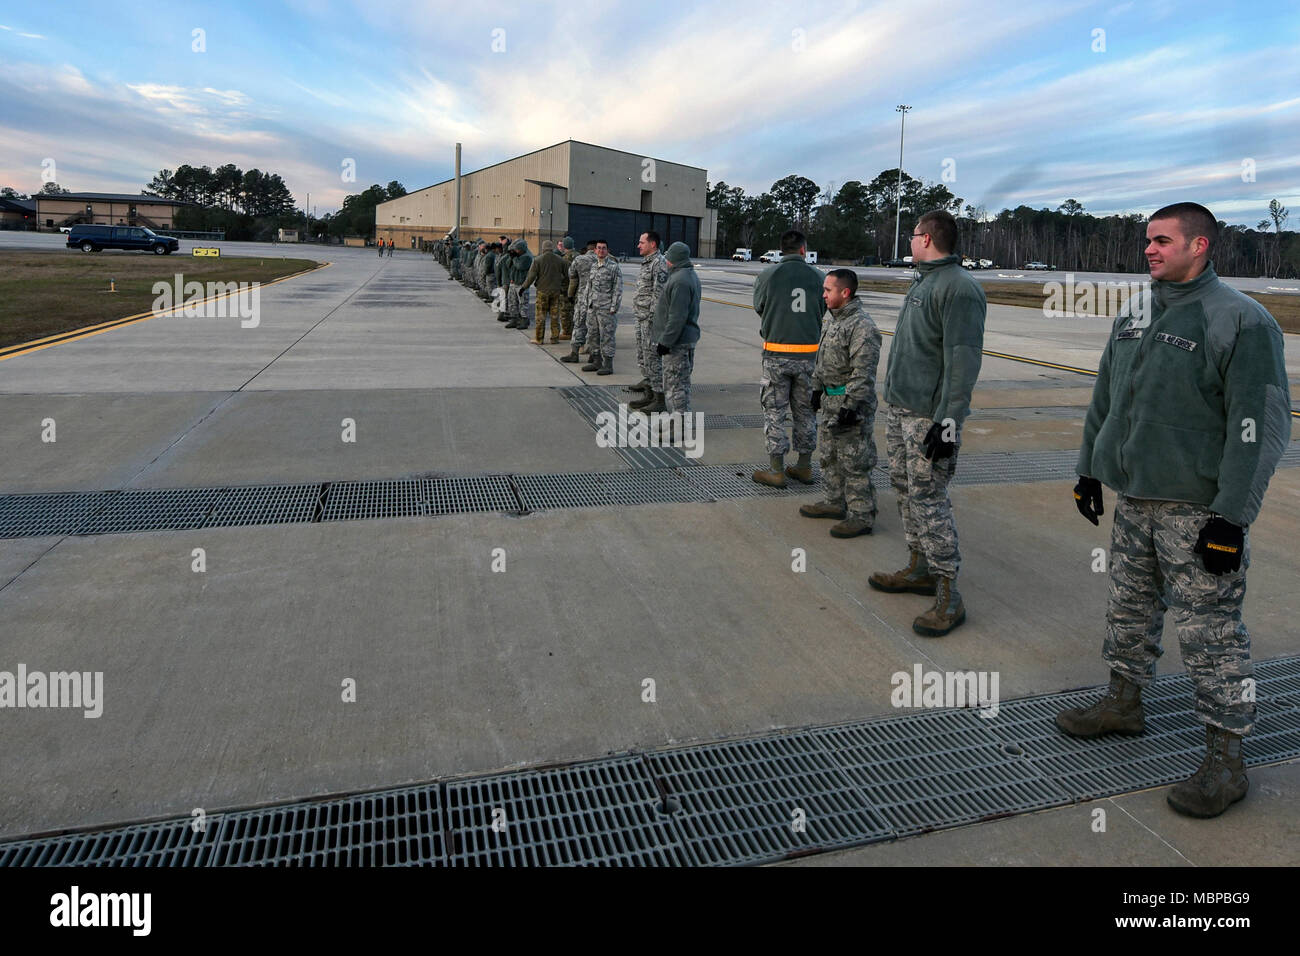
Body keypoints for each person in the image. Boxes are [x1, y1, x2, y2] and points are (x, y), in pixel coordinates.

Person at [1055, 202, 1290, 819]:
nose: (1150, 251)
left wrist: (1231, 517)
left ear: (1200, 246)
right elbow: (1105, 395)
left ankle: (1226, 759)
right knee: (1128, 608)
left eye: (1163, 241)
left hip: (1198, 509)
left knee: (1211, 636)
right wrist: (1090, 467)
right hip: (1135, 499)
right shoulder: (1135, 314)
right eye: (1148, 242)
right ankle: (1123, 703)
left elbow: (1258, 427)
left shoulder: (1241, 321)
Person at [868, 209, 986, 637]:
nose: (909, 241)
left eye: (913, 234)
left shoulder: (959, 289)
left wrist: (948, 422)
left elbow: (962, 361)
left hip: (928, 418)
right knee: (904, 489)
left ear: (928, 239)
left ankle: (948, 594)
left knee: (929, 497)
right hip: (902, 408)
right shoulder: (926, 280)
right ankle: (919, 568)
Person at [797, 270, 880, 538]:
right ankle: (834, 501)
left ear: (845, 293)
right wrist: (816, 389)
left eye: (828, 290)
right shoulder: (831, 320)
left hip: (850, 404)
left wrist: (851, 406)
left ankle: (861, 515)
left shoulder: (862, 326)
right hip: (831, 399)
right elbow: (822, 360)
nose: (823, 295)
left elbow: (863, 372)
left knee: (854, 461)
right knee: (830, 456)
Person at [751, 228, 826, 488]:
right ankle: (804, 466)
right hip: (808, 355)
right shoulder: (819, 276)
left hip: (777, 353)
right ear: (804, 250)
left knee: (775, 412)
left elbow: (759, 306)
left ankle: (776, 470)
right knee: (806, 412)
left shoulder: (768, 274)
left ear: (781, 249)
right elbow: (825, 306)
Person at [650, 241, 701, 433]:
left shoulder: (680, 280)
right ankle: (675, 421)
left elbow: (677, 317)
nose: (666, 261)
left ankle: (679, 428)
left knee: (675, 387)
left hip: (677, 343)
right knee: (679, 385)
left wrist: (665, 342)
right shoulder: (686, 276)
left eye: (668, 257)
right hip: (683, 339)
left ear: (674, 259)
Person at [629, 231, 670, 411]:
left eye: (642, 242)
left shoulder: (658, 263)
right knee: (643, 355)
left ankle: (658, 399)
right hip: (641, 316)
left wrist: (652, 320)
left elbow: (658, 295)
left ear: (653, 244)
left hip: (650, 319)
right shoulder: (647, 262)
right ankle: (649, 392)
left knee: (653, 358)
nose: (638, 245)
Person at [581, 240, 623, 374]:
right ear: (595, 250)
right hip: (593, 308)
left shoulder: (613, 267)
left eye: (603, 248)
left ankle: (608, 365)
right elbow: (589, 287)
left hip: (606, 309)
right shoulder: (593, 266)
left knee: (607, 337)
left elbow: (618, 288)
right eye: (598, 248)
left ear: (607, 251)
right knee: (592, 335)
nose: (600, 251)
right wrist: (586, 304)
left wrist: (613, 307)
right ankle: (596, 362)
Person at [518, 239, 570, 344]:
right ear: (552, 248)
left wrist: (523, 287)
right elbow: (567, 276)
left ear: (543, 248)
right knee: (555, 316)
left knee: (540, 316)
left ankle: (539, 338)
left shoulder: (538, 260)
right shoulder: (561, 260)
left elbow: (531, 276)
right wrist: (564, 288)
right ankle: (554, 338)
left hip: (542, 291)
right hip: (556, 292)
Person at [505, 238, 534, 330]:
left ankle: (524, 320)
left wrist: (514, 257)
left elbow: (520, 266)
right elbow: (507, 264)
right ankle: (514, 319)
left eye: (517, 250)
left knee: (523, 303)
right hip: (513, 282)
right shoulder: (516, 256)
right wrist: (511, 256)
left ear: (522, 249)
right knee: (512, 301)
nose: (516, 251)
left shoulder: (527, 257)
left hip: (522, 284)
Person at [559, 237, 577, 341]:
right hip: (577, 288)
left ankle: (567, 331)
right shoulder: (579, 256)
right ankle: (575, 329)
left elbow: (564, 275)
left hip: (566, 288)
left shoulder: (565, 258)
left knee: (565, 310)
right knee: (575, 310)